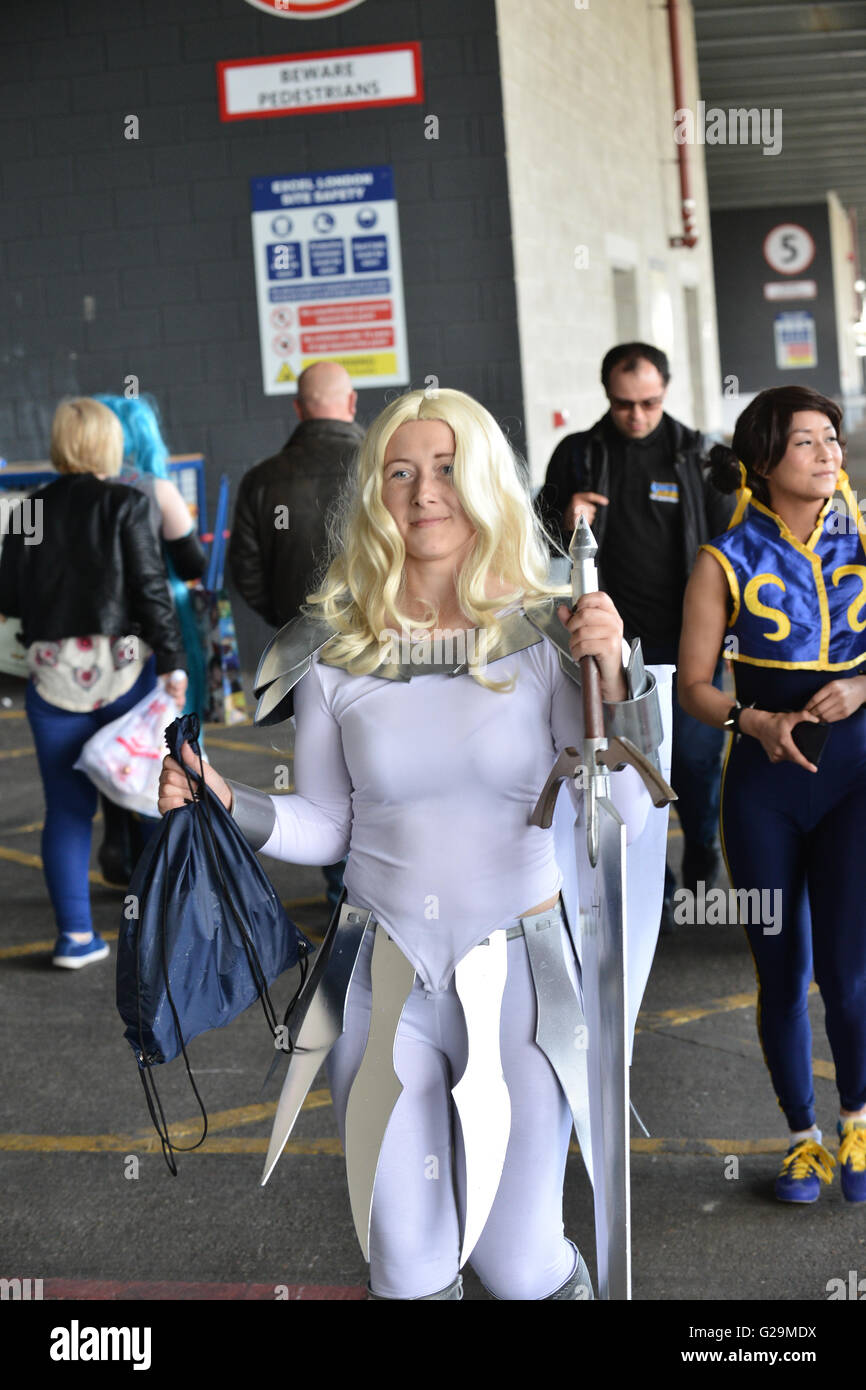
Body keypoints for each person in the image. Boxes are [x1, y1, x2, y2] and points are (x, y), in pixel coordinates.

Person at [159, 387, 669, 1300]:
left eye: (444, 469)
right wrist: (225, 797)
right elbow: (328, 825)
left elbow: (622, 813)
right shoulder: (336, 647)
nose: (423, 491)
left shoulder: (552, 635)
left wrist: (618, 674)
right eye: (401, 472)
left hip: (521, 985)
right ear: (375, 494)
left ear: (482, 483)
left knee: (519, 1266)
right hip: (374, 978)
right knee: (404, 1262)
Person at [678, 385, 866, 1204]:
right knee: (781, 969)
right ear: (763, 460)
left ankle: (859, 1123)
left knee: (851, 973)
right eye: (806, 442)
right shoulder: (723, 559)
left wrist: (861, 686)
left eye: (833, 439)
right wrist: (751, 720)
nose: (829, 453)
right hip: (761, 786)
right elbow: (692, 686)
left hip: (858, 776)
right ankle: (803, 1139)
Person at [536, 343, 734, 924]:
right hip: (607, 650)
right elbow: (539, 540)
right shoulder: (579, 454)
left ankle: (702, 849)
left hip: (686, 642)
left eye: (649, 402)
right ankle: (658, 883)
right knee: (628, 767)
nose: (637, 415)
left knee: (695, 762)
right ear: (607, 397)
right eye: (625, 405)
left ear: (665, 392)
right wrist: (561, 511)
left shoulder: (697, 456)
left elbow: (729, 550)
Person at [0, 398, 188, 968]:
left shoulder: (27, 510)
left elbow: (7, 598)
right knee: (152, 799)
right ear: (108, 444)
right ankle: (167, 929)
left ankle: (75, 939)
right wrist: (175, 662)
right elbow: (152, 589)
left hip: (54, 678)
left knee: (67, 811)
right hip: (123, 675)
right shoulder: (126, 503)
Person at [229, 360, 365, 911]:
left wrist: (293, 626)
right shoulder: (384, 466)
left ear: (298, 408)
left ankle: (342, 893)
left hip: (306, 656)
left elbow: (247, 573)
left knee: (325, 777)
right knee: (383, 768)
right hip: (388, 646)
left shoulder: (263, 479)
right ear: (351, 405)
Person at [94, 394, 207, 885]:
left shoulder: (81, 492)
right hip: (162, 624)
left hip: (104, 633)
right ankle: (159, 858)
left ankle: (118, 843)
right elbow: (192, 566)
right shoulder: (155, 489)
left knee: (118, 734)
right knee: (165, 737)